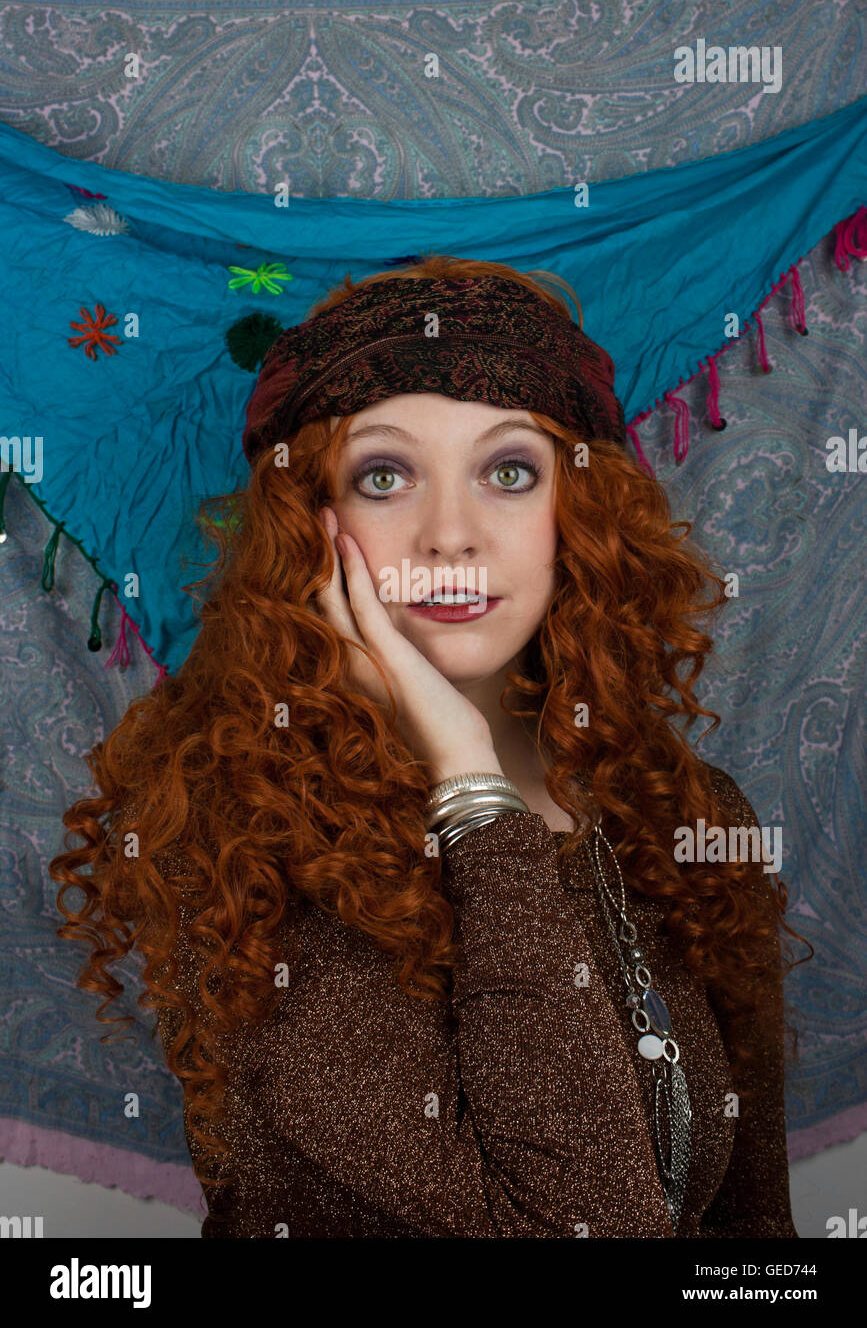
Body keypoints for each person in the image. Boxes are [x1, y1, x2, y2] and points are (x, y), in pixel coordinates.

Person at [50, 254, 811, 1237]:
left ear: (576, 516)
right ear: (309, 528)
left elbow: (761, 1249)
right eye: (384, 474)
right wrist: (470, 783)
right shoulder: (234, 826)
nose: (450, 533)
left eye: (508, 471)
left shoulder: (687, 815)